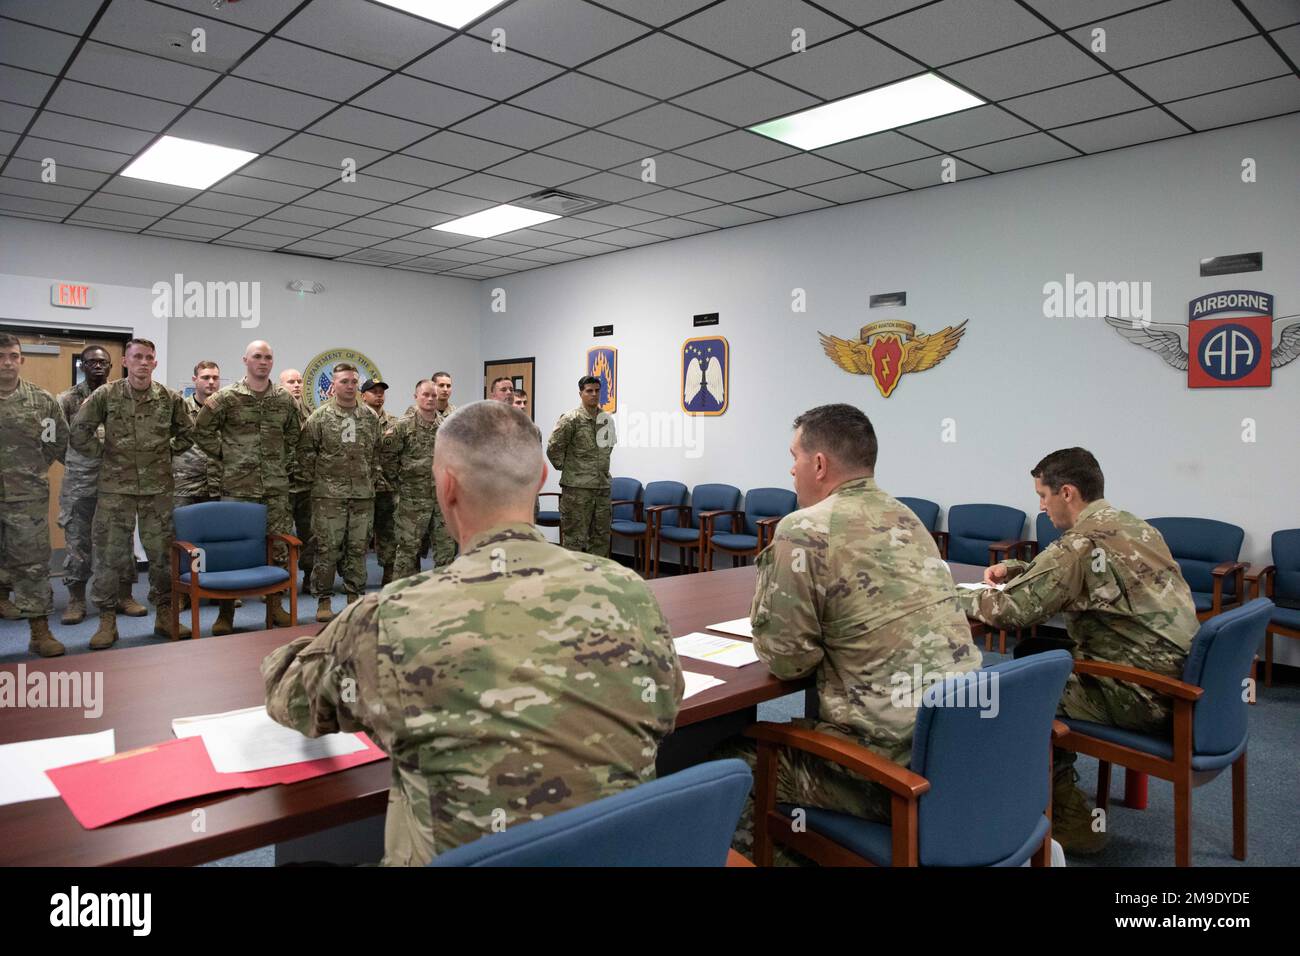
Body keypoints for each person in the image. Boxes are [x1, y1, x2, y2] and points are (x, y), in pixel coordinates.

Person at [263, 400, 683, 866]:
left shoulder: (390, 616)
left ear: (445, 486)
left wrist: (333, 643)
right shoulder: (629, 591)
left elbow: (291, 701)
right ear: (543, 477)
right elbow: (666, 705)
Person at [722, 403, 981, 862]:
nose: (791, 469)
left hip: (886, 768)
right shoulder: (908, 517)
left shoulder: (803, 529)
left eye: (794, 457)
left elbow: (789, 660)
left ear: (818, 465)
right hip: (961, 753)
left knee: (730, 768)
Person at [958, 447, 1198, 854]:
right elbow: (1083, 576)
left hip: (1136, 695)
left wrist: (954, 597)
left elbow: (1010, 610)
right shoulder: (1136, 528)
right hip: (1175, 682)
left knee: (1012, 697)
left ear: (1066, 492)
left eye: (1043, 495)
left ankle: (1069, 820)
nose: (1041, 506)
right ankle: (1047, 783)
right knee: (1036, 657)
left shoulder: (1080, 545)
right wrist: (1019, 570)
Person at [71, 337, 192, 647]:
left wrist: (165, 454)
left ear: (154, 362)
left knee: (162, 556)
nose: (143, 362)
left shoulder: (169, 398)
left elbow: (188, 434)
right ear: (125, 361)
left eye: (148, 357)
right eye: (136, 356)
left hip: (157, 489)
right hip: (116, 488)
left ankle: (165, 614)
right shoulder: (106, 395)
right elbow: (79, 432)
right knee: (109, 556)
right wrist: (104, 454)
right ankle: (107, 621)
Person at [193, 341, 301, 633]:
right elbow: (201, 430)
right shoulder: (226, 398)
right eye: (257, 357)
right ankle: (226, 613)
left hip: (275, 487)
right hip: (238, 487)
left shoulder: (284, 399)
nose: (263, 362)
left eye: (268, 357)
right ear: (245, 360)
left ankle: (275, 604)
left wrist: (280, 459)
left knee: (279, 546)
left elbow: (295, 433)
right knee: (233, 551)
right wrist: (226, 455)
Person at [56, 346, 139, 626]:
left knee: (121, 541)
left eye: (103, 362)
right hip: (80, 485)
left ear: (112, 365)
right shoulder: (67, 399)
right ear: (82, 365)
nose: (97, 367)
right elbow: (57, 441)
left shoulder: (123, 396)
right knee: (78, 543)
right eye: (91, 362)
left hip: (117, 483)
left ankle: (124, 595)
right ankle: (76, 600)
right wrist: (78, 461)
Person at [0, 334, 69, 657]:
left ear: (21, 359)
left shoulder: (40, 401)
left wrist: (29, 470)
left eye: (13, 356)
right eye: (1, 356)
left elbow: (56, 444)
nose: (7, 362)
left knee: (33, 567)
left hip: (25, 499)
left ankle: (39, 633)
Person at [296, 363, 381, 623]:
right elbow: (305, 456)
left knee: (358, 548)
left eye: (354, 381)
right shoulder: (319, 418)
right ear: (333, 385)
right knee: (327, 548)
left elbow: (376, 454)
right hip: (328, 497)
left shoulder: (369, 417)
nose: (350, 386)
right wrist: (319, 486)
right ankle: (323, 599)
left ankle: (354, 597)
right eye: (344, 381)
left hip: (362, 495)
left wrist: (371, 479)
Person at [382, 381, 446, 578]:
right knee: (408, 549)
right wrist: (399, 486)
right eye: (425, 395)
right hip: (412, 498)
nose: (430, 399)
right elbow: (387, 458)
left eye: (434, 396)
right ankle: (399, 595)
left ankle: (445, 595)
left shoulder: (447, 427)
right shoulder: (402, 426)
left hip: (441, 498)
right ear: (416, 396)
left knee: (446, 549)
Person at [546, 375, 616, 556]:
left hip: (601, 488)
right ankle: (573, 581)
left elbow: (608, 449)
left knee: (601, 538)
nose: (594, 394)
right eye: (589, 391)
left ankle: (597, 580)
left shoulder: (606, 420)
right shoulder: (571, 419)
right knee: (575, 540)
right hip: (577, 490)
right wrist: (571, 469)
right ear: (581, 393)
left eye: (597, 391)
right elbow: (553, 448)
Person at [360, 379, 398, 586]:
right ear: (363, 395)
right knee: (359, 534)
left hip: (386, 486)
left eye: (382, 392)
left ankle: (389, 572)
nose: (379, 395)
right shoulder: (355, 419)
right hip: (361, 486)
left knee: (387, 532)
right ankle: (355, 578)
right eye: (373, 392)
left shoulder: (394, 422)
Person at [279, 368, 313, 591]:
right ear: (281, 386)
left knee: (310, 533)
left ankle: (310, 575)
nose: (297, 385)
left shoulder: (310, 412)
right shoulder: (275, 411)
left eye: (299, 381)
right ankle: (279, 581)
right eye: (291, 381)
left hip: (306, 482)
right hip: (281, 482)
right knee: (280, 536)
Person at [172, 361, 222, 508]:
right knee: (183, 530)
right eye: (205, 377)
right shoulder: (180, 409)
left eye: (215, 378)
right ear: (195, 380)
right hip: (186, 488)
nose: (211, 382)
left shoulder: (227, 411)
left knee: (217, 531)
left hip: (218, 488)